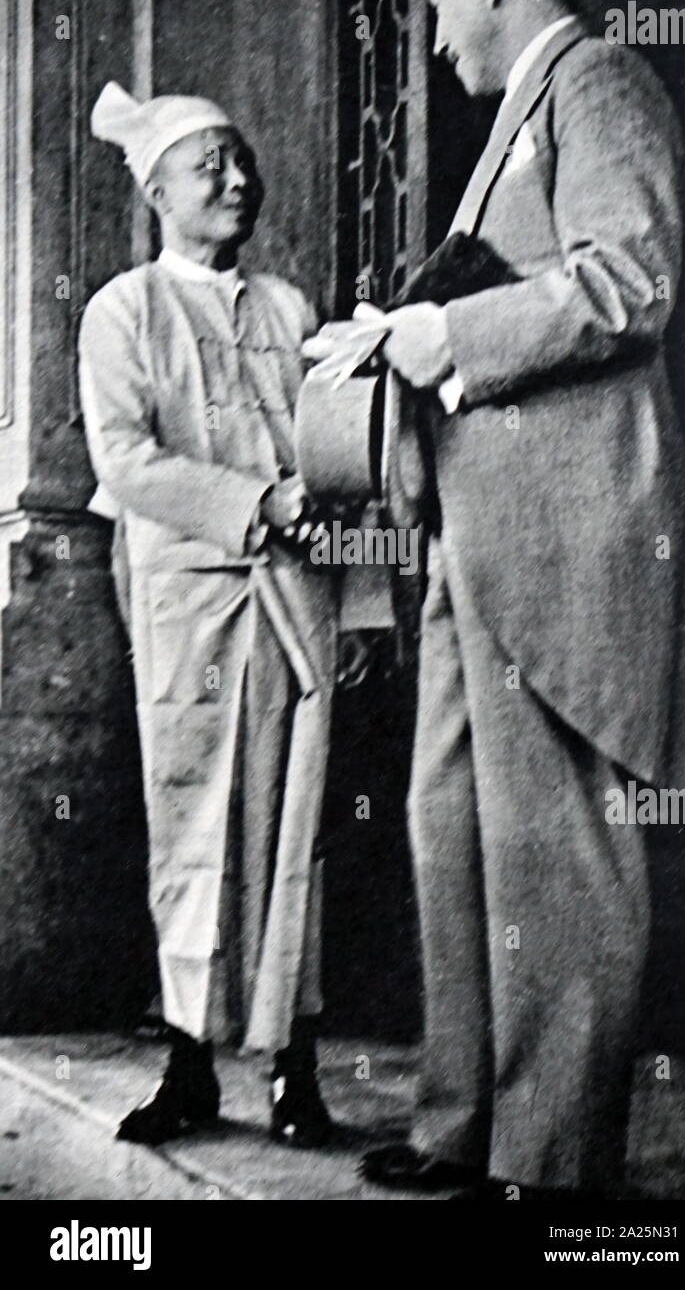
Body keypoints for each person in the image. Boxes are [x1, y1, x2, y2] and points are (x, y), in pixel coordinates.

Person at [311, 0, 685, 1197]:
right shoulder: (519, 112)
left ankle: (545, 1162)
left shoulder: (600, 79)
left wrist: (451, 341)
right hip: (476, 534)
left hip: (563, 537)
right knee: (450, 826)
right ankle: (458, 1122)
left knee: (555, 850)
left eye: (439, 8)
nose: (432, 42)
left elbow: (631, 277)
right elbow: (521, 284)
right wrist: (399, 332)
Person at [80, 81, 355, 1148]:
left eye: (243, 161)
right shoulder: (125, 310)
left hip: (294, 604)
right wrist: (255, 502)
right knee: (191, 827)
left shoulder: (290, 312)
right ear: (158, 191)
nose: (240, 181)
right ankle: (192, 1064)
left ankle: (295, 1067)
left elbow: (334, 460)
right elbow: (128, 461)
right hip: (187, 605)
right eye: (212, 167)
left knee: (300, 829)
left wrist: (353, 590)